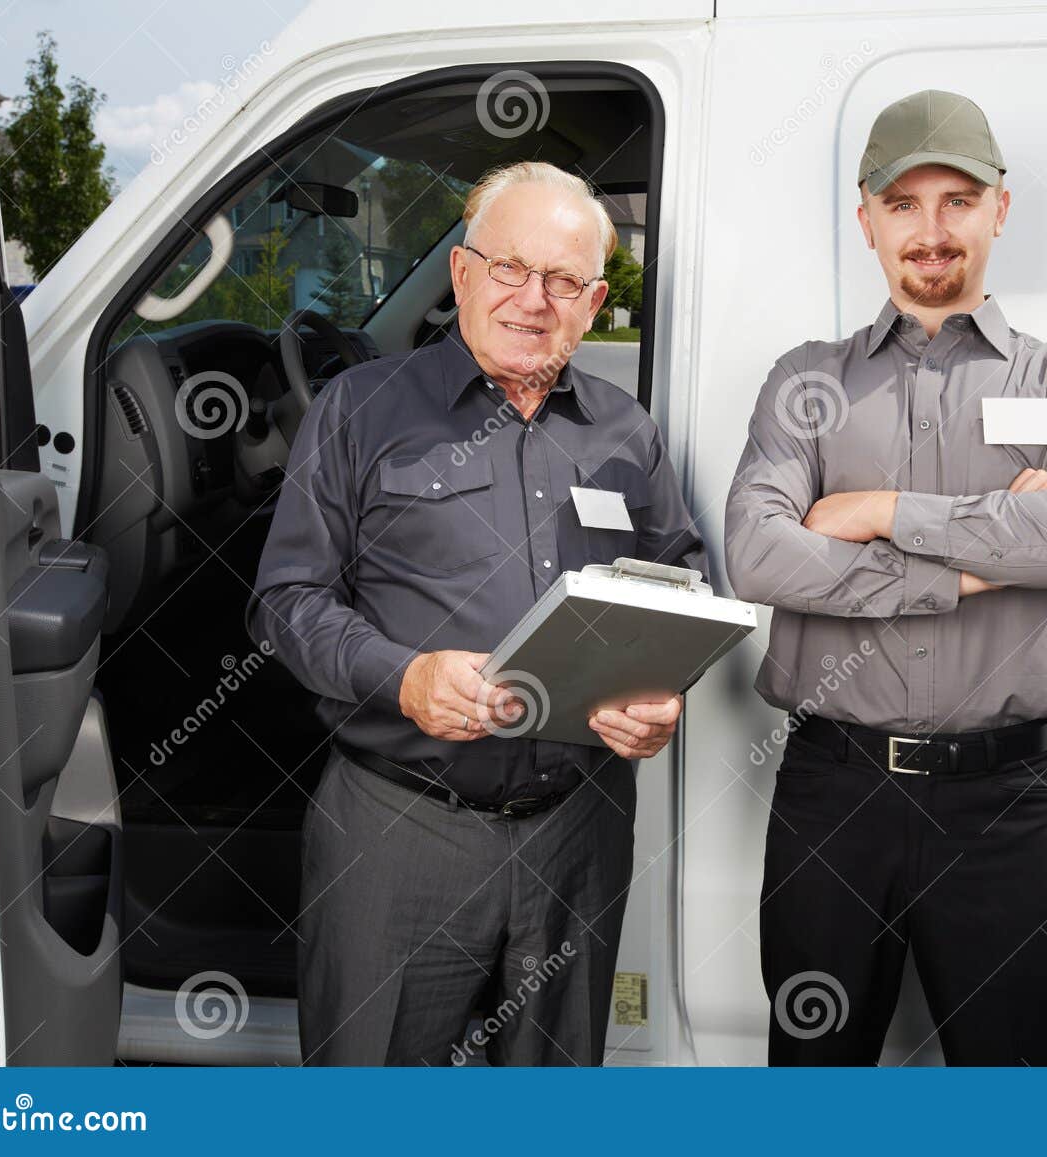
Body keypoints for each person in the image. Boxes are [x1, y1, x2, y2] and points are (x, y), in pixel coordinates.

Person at [246, 161, 706, 1065]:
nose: (533, 300)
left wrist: (659, 691)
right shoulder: (360, 409)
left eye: (564, 281)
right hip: (400, 829)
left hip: (579, 831)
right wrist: (402, 676)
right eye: (509, 269)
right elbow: (284, 604)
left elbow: (678, 573)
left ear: (595, 299)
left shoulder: (627, 431)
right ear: (462, 273)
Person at [723, 89, 1047, 1065]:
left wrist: (879, 513)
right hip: (834, 798)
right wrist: (975, 569)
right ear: (864, 218)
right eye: (902, 203)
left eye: (956, 199)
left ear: (1000, 208)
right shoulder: (806, 380)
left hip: (1007, 805)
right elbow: (757, 550)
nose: (930, 229)